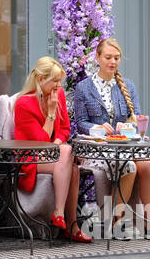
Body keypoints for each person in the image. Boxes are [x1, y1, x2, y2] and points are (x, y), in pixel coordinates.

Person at [70, 37, 150, 239]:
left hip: (124, 145)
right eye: (108, 57)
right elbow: (80, 122)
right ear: (97, 57)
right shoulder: (83, 88)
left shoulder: (127, 85)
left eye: (117, 58)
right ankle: (114, 221)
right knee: (129, 166)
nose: (112, 62)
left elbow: (136, 116)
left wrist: (127, 125)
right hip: (99, 149)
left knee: (149, 165)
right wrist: (98, 128)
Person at [12, 57, 93, 242]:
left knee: (70, 164)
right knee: (67, 154)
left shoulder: (59, 95)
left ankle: (66, 221)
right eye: (54, 81)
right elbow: (39, 142)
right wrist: (50, 113)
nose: (58, 85)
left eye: (60, 81)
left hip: (53, 154)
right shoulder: (23, 104)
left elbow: (65, 128)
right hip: (30, 157)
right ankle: (67, 221)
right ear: (41, 79)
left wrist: (56, 144)